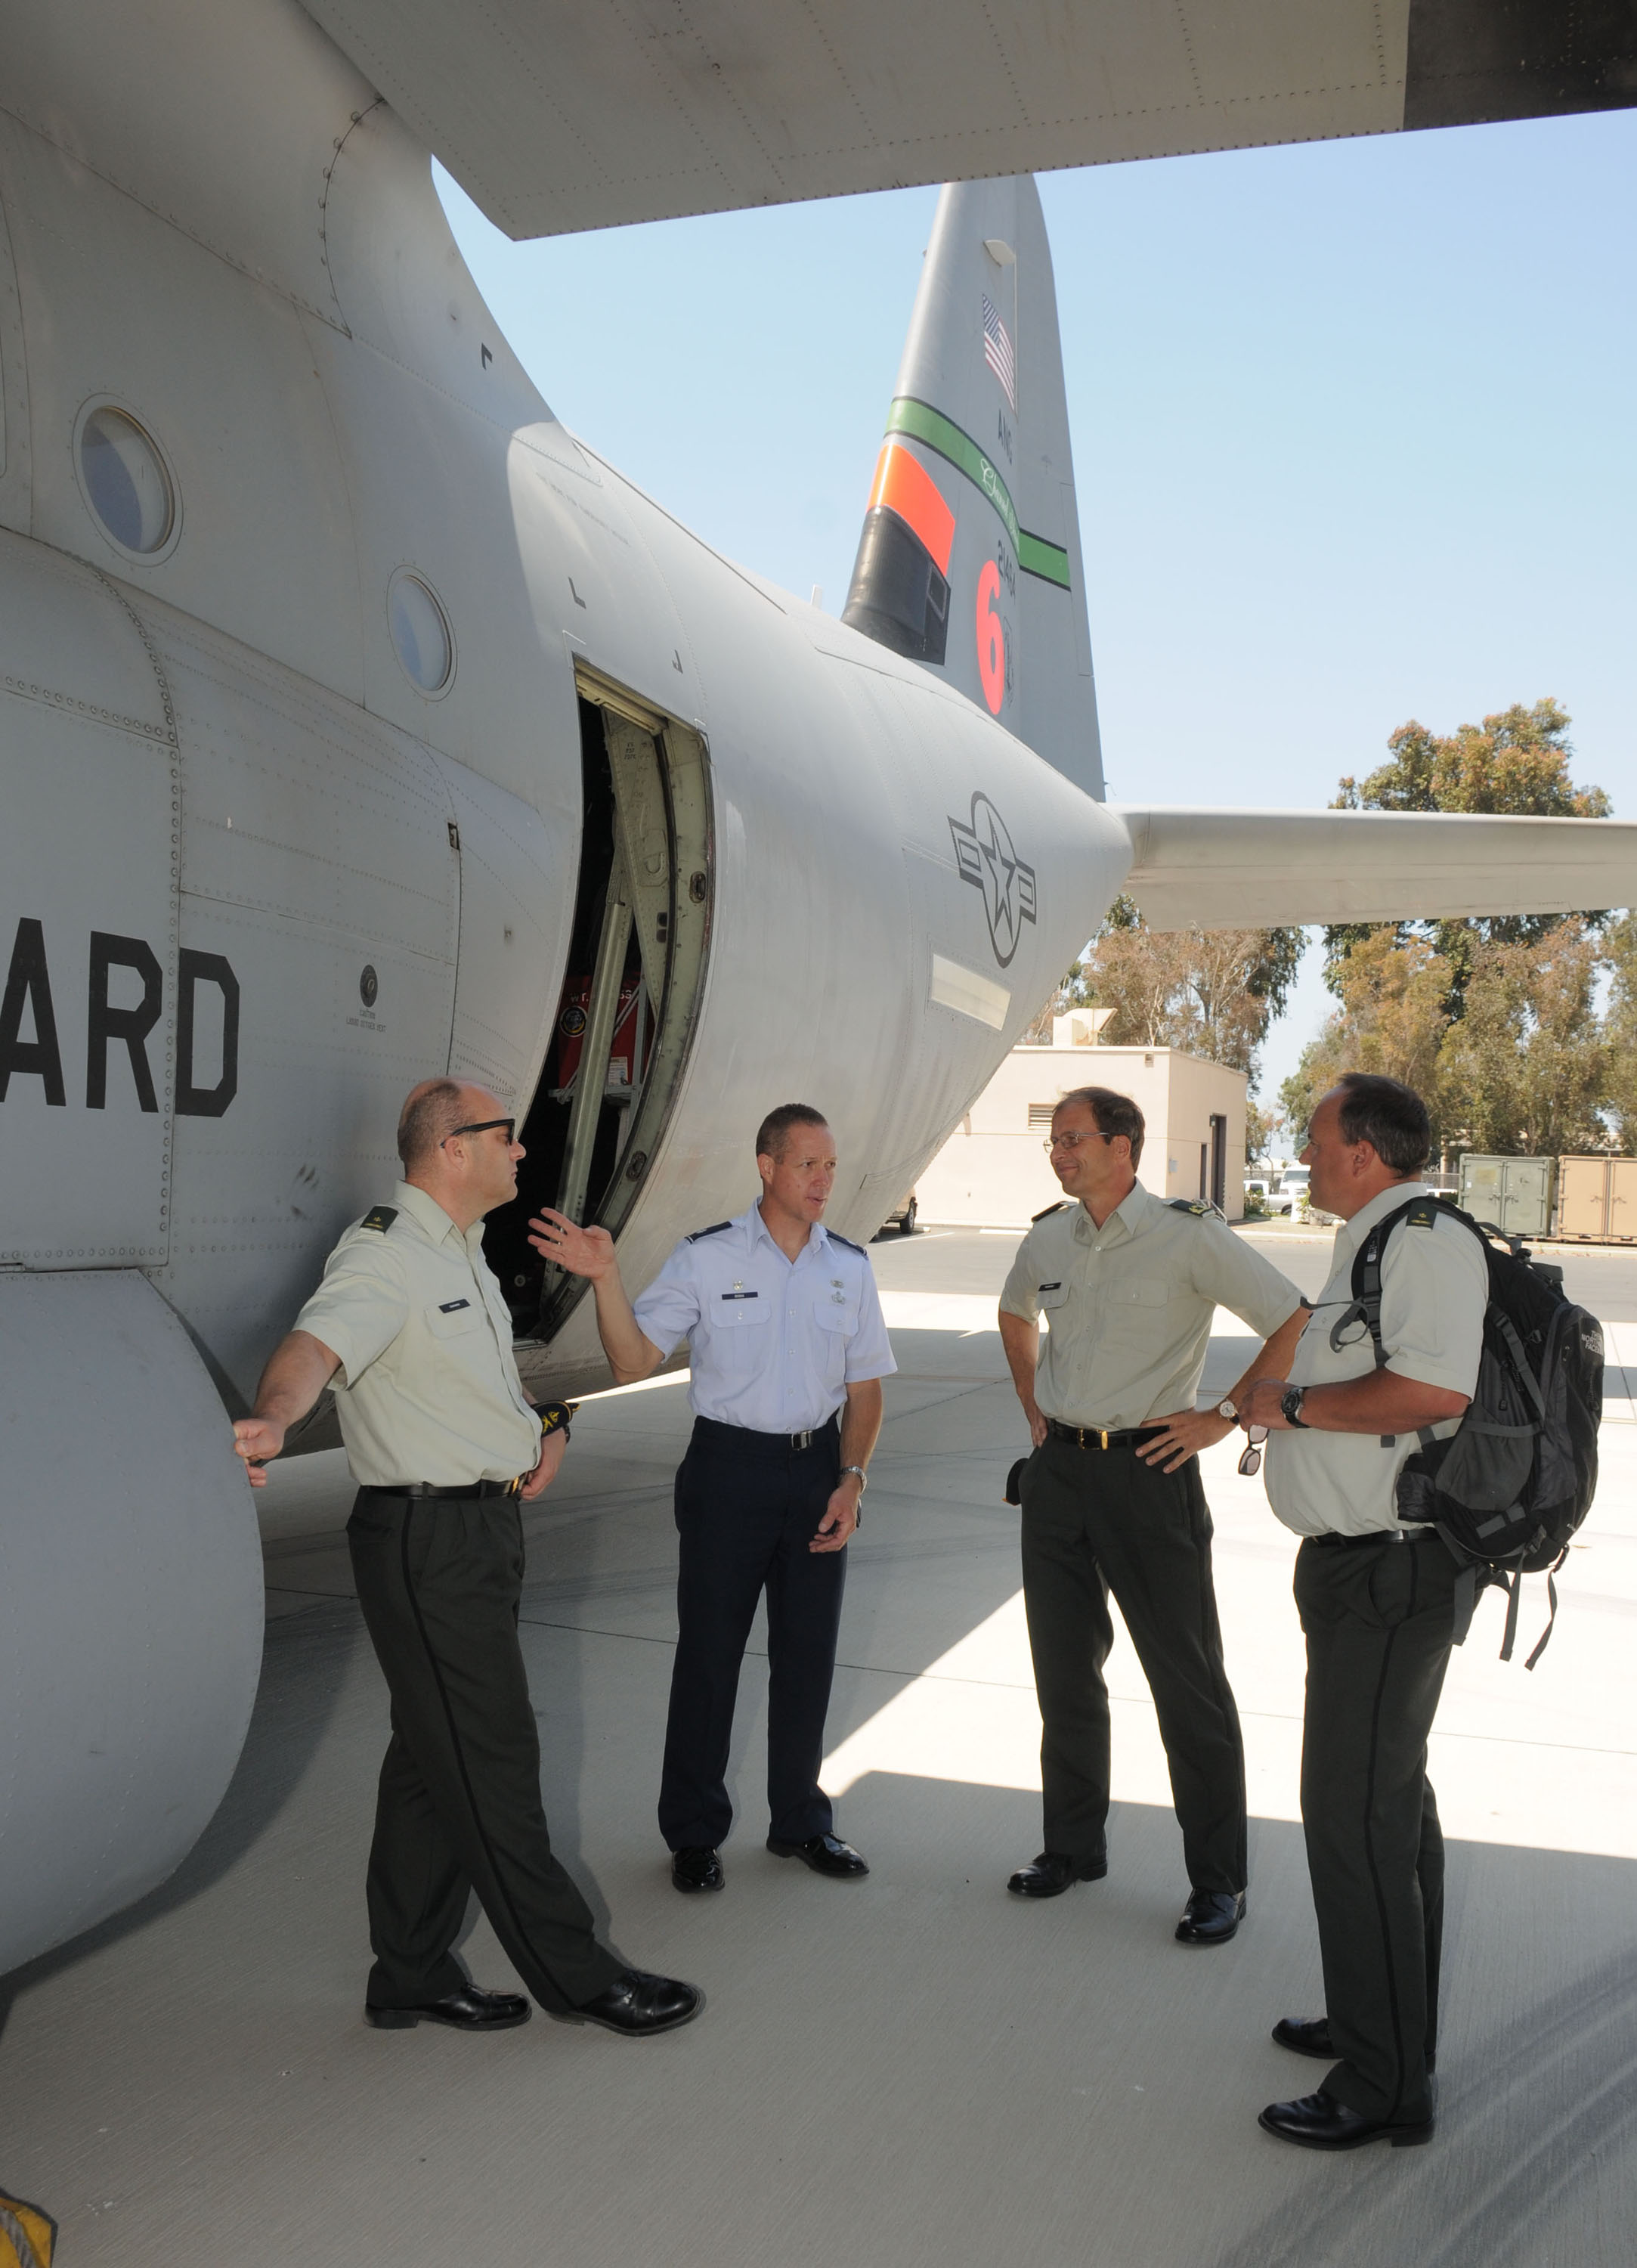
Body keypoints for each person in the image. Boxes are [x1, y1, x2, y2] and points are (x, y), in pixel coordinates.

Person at [232, 1077, 701, 2039]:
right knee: (494, 1756)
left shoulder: (465, 1256)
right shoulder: (387, 1255)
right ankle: (580, 1977)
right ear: (452, 1148)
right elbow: (315, 1345)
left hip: (479, 1532)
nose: (522, 1151)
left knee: (428, 1757)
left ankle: (409, 1971)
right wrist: (275, 1418)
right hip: (427, 1540)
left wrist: (541, 1431)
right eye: (506, 1136)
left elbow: (468, 1391)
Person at [531, 1103, 894, 1894]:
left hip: (816, 1474)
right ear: (766, 1167)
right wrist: (606, 1280)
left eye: (830, 1166)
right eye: (808, 1165)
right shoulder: (707, 1259)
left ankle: (800, 1822)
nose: (824, 1180)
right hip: (727, 1473)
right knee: (709, 1659)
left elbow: (865, 1393)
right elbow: (630, 1360)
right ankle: (694, 1833)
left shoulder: (849, 1268)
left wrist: (851, 1477)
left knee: (807, 1660)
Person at [998, 1086, 1309, 1942]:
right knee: (1063, 1673)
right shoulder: (1048, 1235)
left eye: (1074, 1139)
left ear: (1123, 1146)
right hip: (1058, 1475)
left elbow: (1291, 1317)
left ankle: (1219, 1881)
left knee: (1188, 1684)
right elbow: (1014, 1309)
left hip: (1149, 1475)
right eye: (1054, 1141)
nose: (1060, 1154)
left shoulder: (1188, 1235)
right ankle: (1071, 1848)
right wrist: (1033, 1401)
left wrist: (1227, 1416)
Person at [1245, 1073, 1486, 2150]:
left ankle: (1382, 2083)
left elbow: (1434, 1396)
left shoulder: (1421, 1242)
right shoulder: (1370, 1245)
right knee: (1382, 1808)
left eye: (1312, 1138)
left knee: (1354, 1819)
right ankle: (1378, 2021)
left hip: (1390, 1578)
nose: (1300, 1154)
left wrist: (1291, 1404)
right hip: (1356, 1575)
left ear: (1362, 1152)